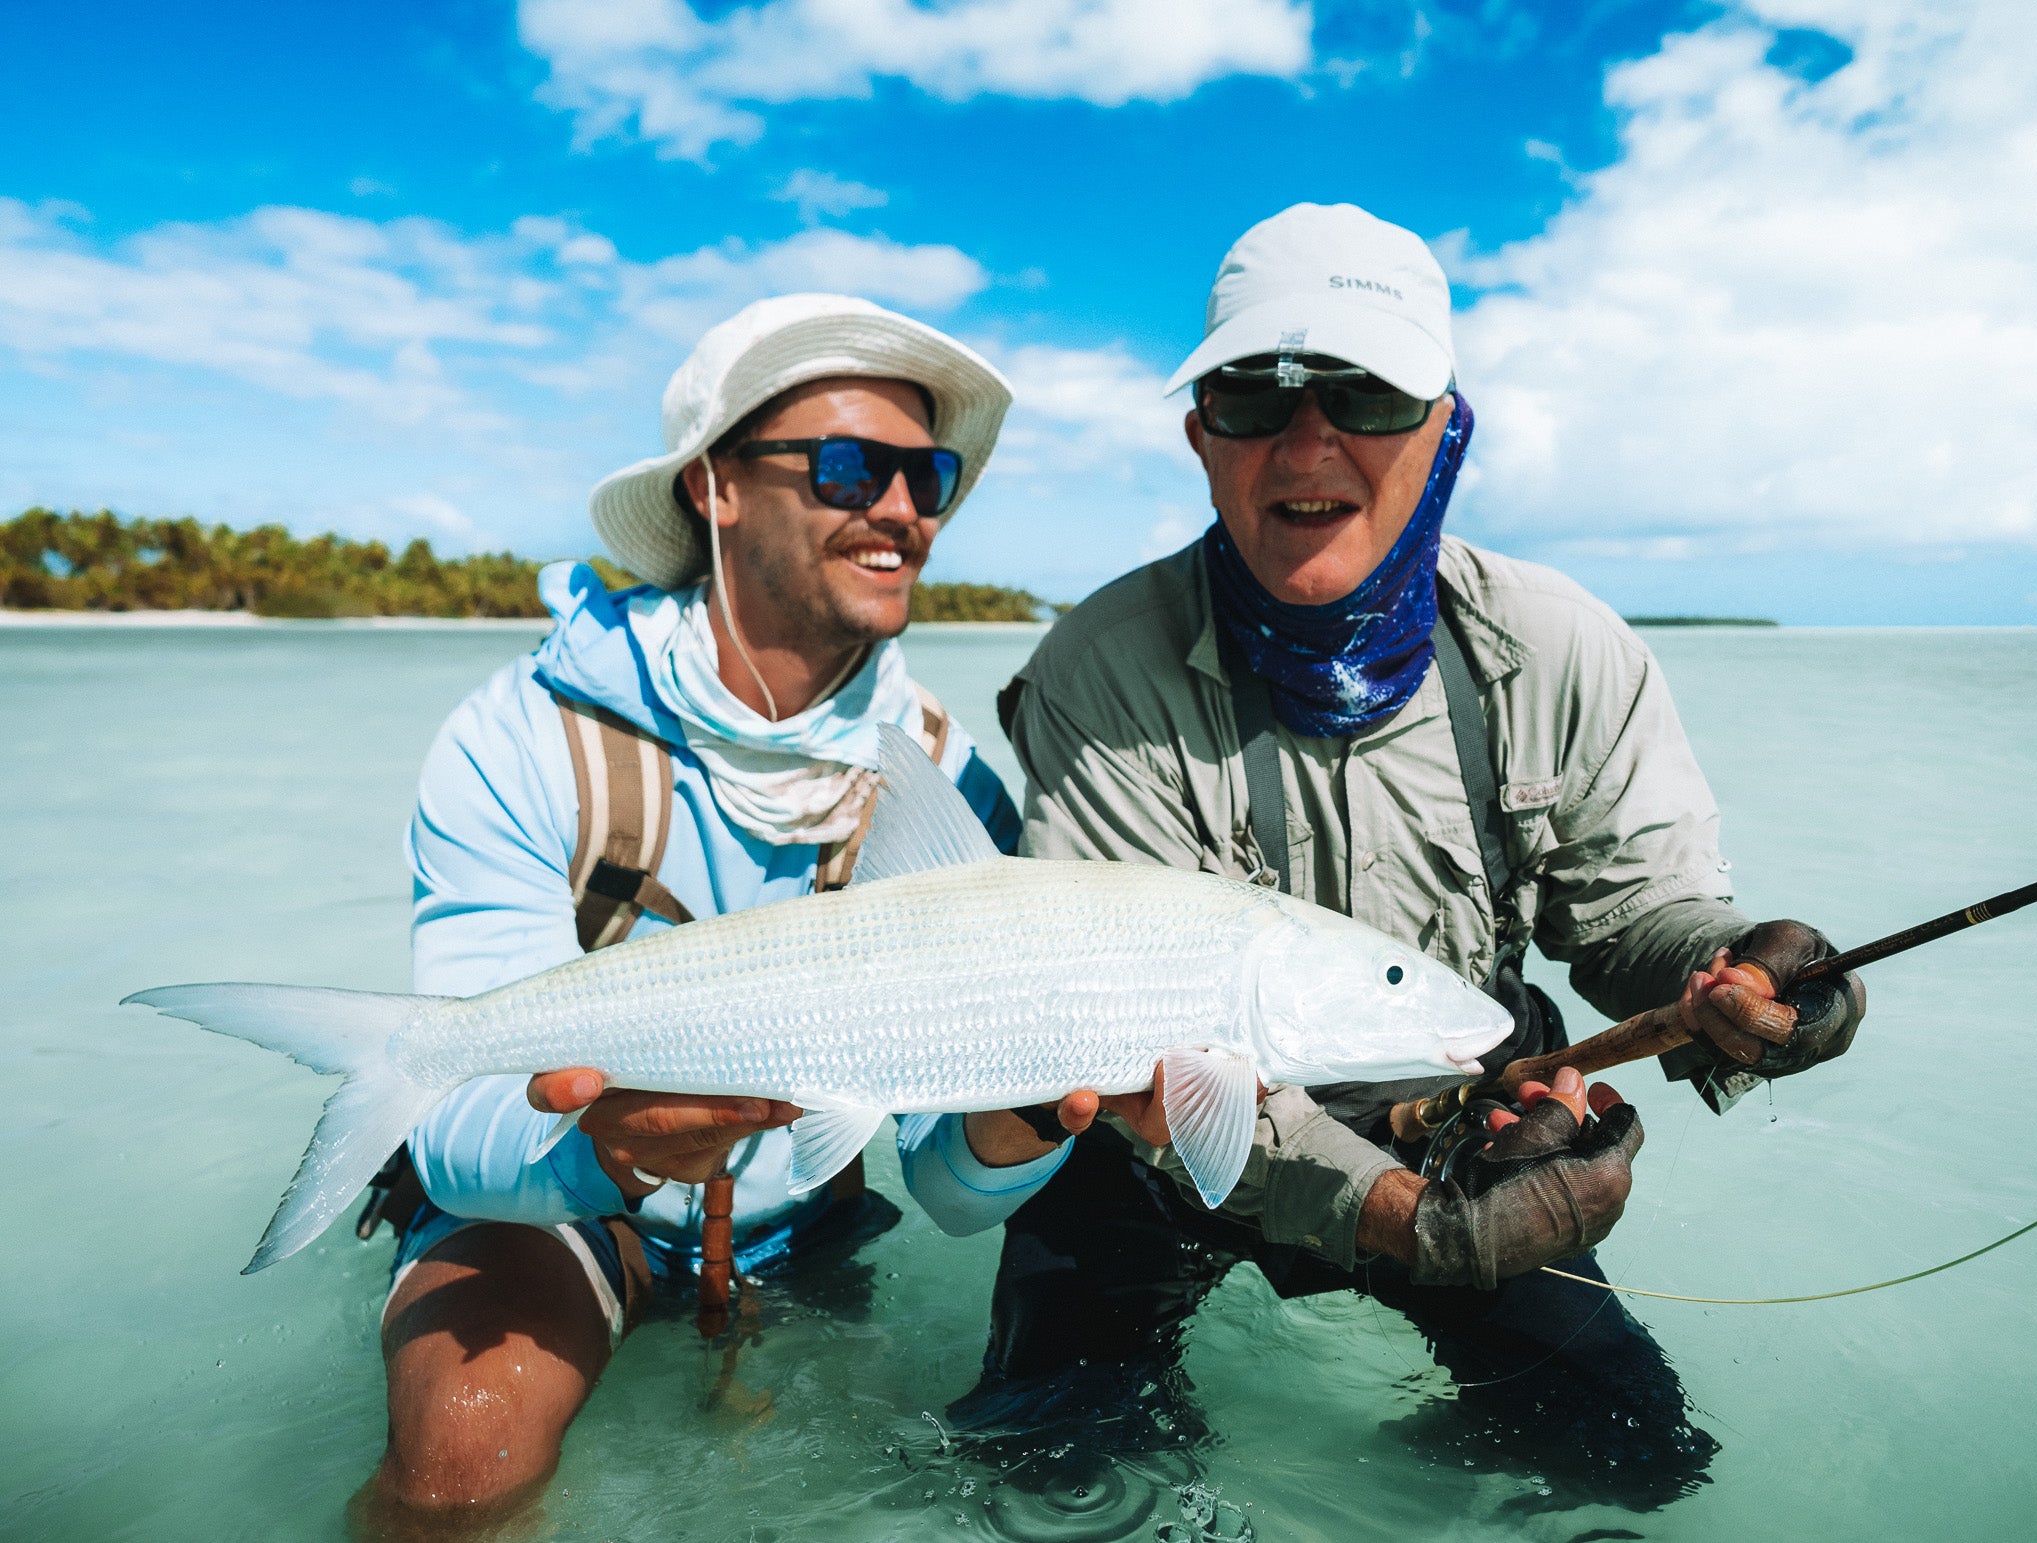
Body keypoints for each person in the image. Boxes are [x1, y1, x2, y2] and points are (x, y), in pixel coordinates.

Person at [906, 204, 1866, 1503]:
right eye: (1255, 395)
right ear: (1202, 436)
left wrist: (1732, 980)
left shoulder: (1562, 647)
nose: (1309, 442)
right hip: (1155, 1134)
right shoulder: (1102, 668)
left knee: (1631, 1458)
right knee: (1043, 1467)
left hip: (1463, 1115)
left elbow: (1638, 910)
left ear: (1442, 425)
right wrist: (1395, 1219)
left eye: (1366, 393)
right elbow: (1133, 1041)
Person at [364, 294, 1062, 1522]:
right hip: (552, 1202)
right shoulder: (524, 739)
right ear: (713, 488)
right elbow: (458, 1135)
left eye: (929, 473)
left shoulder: (950, 785)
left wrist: (1029, 1119)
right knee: (460, 1469)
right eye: (851, 465)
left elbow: (948, 1188)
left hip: (808, 1222)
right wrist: (621, 1144)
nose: (900, 508)